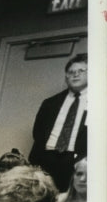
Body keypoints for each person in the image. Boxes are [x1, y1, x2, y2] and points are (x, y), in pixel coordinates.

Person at [30, 53, 87, 192]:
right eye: (71, 72)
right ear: (66, 76)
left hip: (78, 163)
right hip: (45, 160)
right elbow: (38, 133)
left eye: (81, 71)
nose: (75, 75)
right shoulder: (50, 103)